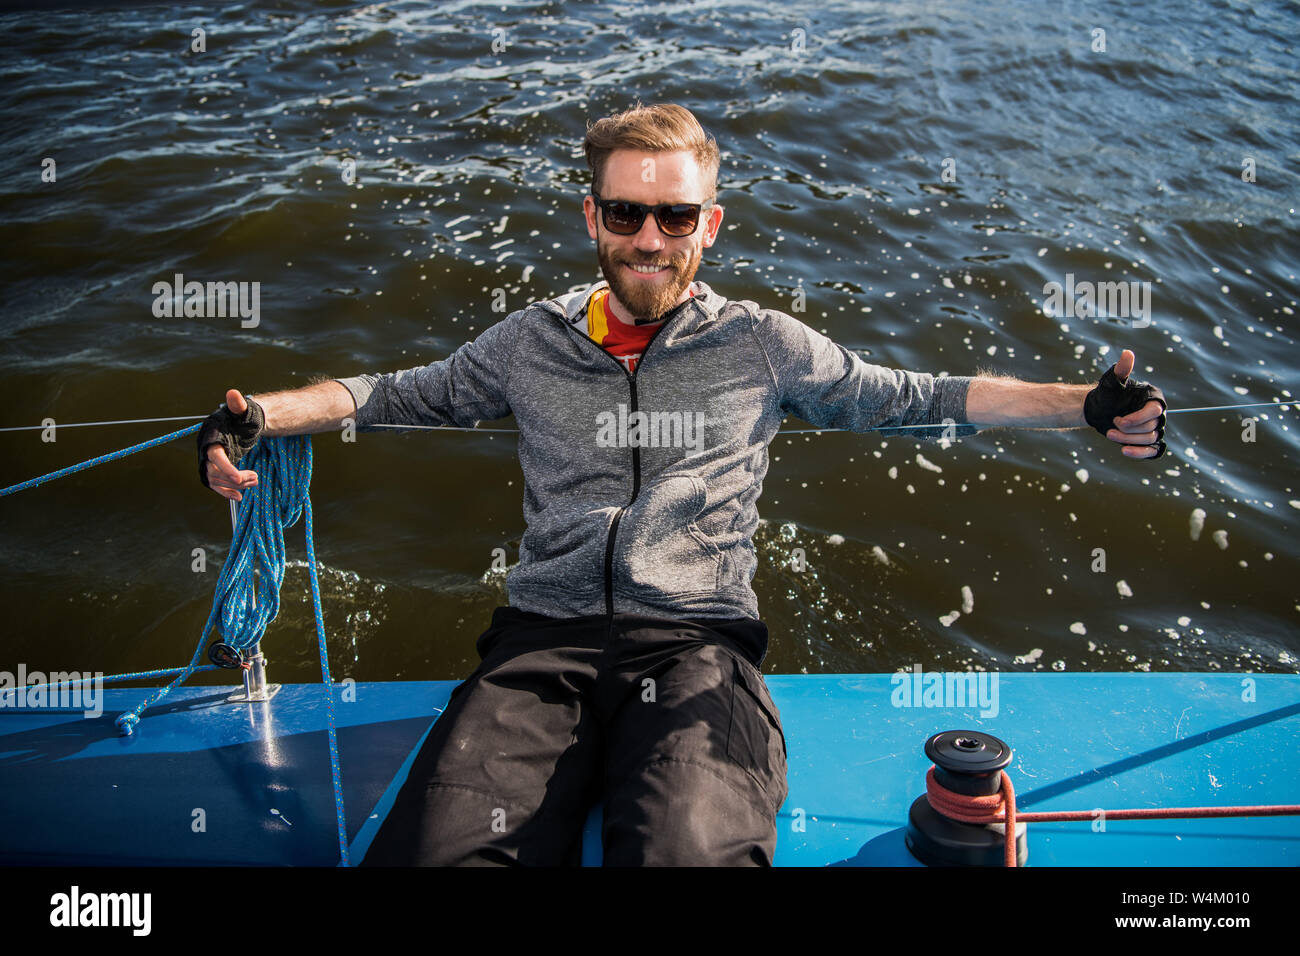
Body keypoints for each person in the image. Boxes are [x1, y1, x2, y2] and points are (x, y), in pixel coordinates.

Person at [196, 103, 1166, 866]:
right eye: (625, 212)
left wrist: (1081, 402)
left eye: (673, 215)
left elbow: (914, 396)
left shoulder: (760, 343)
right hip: (541, 651)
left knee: (689, 853)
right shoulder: (527, 342)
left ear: (710, 225)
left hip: (697, 652)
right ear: (592, 217)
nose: (648, 238)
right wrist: (260, 416)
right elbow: (395, 392)